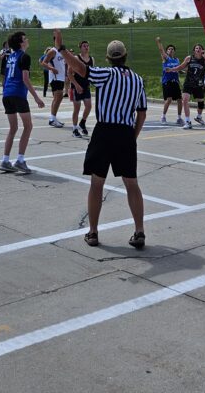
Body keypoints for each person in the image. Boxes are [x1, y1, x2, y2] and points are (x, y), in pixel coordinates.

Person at [54, 29, 148, 250]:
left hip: (104, 131)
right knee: (132, 183)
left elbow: (80, 68)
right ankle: (139, 230)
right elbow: (142, 112)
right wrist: (132, 137)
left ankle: (93, 231)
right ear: (125, 56)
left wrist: (61, 49)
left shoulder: (106, 74)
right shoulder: (137, 80)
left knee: (97, 183)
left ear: (108, 58)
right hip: (125, 132)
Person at [0, 31, 46, 174]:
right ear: (21, 43)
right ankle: (20, 160)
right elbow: (25, 79)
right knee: (28, 126)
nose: (27, 39)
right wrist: (37, 98)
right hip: (18, 94)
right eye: (25, 38)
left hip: (7, 94)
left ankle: (5, 160)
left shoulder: (10, 57)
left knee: (13, 128)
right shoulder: (24, 56)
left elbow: (6, 76)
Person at [171, 44, 205, 129]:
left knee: (201, 102)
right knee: (185, 100)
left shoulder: (204, 60)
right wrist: (172, 69)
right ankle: (188, 121)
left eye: (200, 48)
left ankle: (199, 117)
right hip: (188, 83)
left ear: (202, 50)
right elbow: (181, 66)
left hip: (198, 84)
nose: (198, 49)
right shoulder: (189, 58)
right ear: (194, 50)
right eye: (196, 48)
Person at [155, 37, 185, 125]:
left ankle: (179, 118)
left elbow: (178, 69)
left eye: (172, 49)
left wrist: (182, 71)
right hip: (167, 81)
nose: (171, 50)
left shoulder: (177, 60)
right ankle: (163, 117)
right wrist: (159, 42)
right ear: (167, 51)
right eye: (169, 49)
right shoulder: (166, 58)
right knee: (169, 100)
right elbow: (161, 50)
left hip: (175, 82)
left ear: (174, 51)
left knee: (180, 100)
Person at [70, 40, 94, 137]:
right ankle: (75, 128)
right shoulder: (76, 58)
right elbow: (69, 74)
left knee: (88, 106)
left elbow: (92, 72)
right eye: (84, 46)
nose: (86, 47)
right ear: (80, 47)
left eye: (87, 46)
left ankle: (82, 122)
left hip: (86, 86)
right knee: (77, 108)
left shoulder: (92, 59)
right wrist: (76, 85)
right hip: (77, 86)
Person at [41, 44, 67, 127]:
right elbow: (43, 63)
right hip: (55, 77)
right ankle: (52, 118)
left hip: (61, 77)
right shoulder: (52, 51)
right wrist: (52, 69)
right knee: (59, 97)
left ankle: (53, 118)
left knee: (57, 98)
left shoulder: (61, 51)